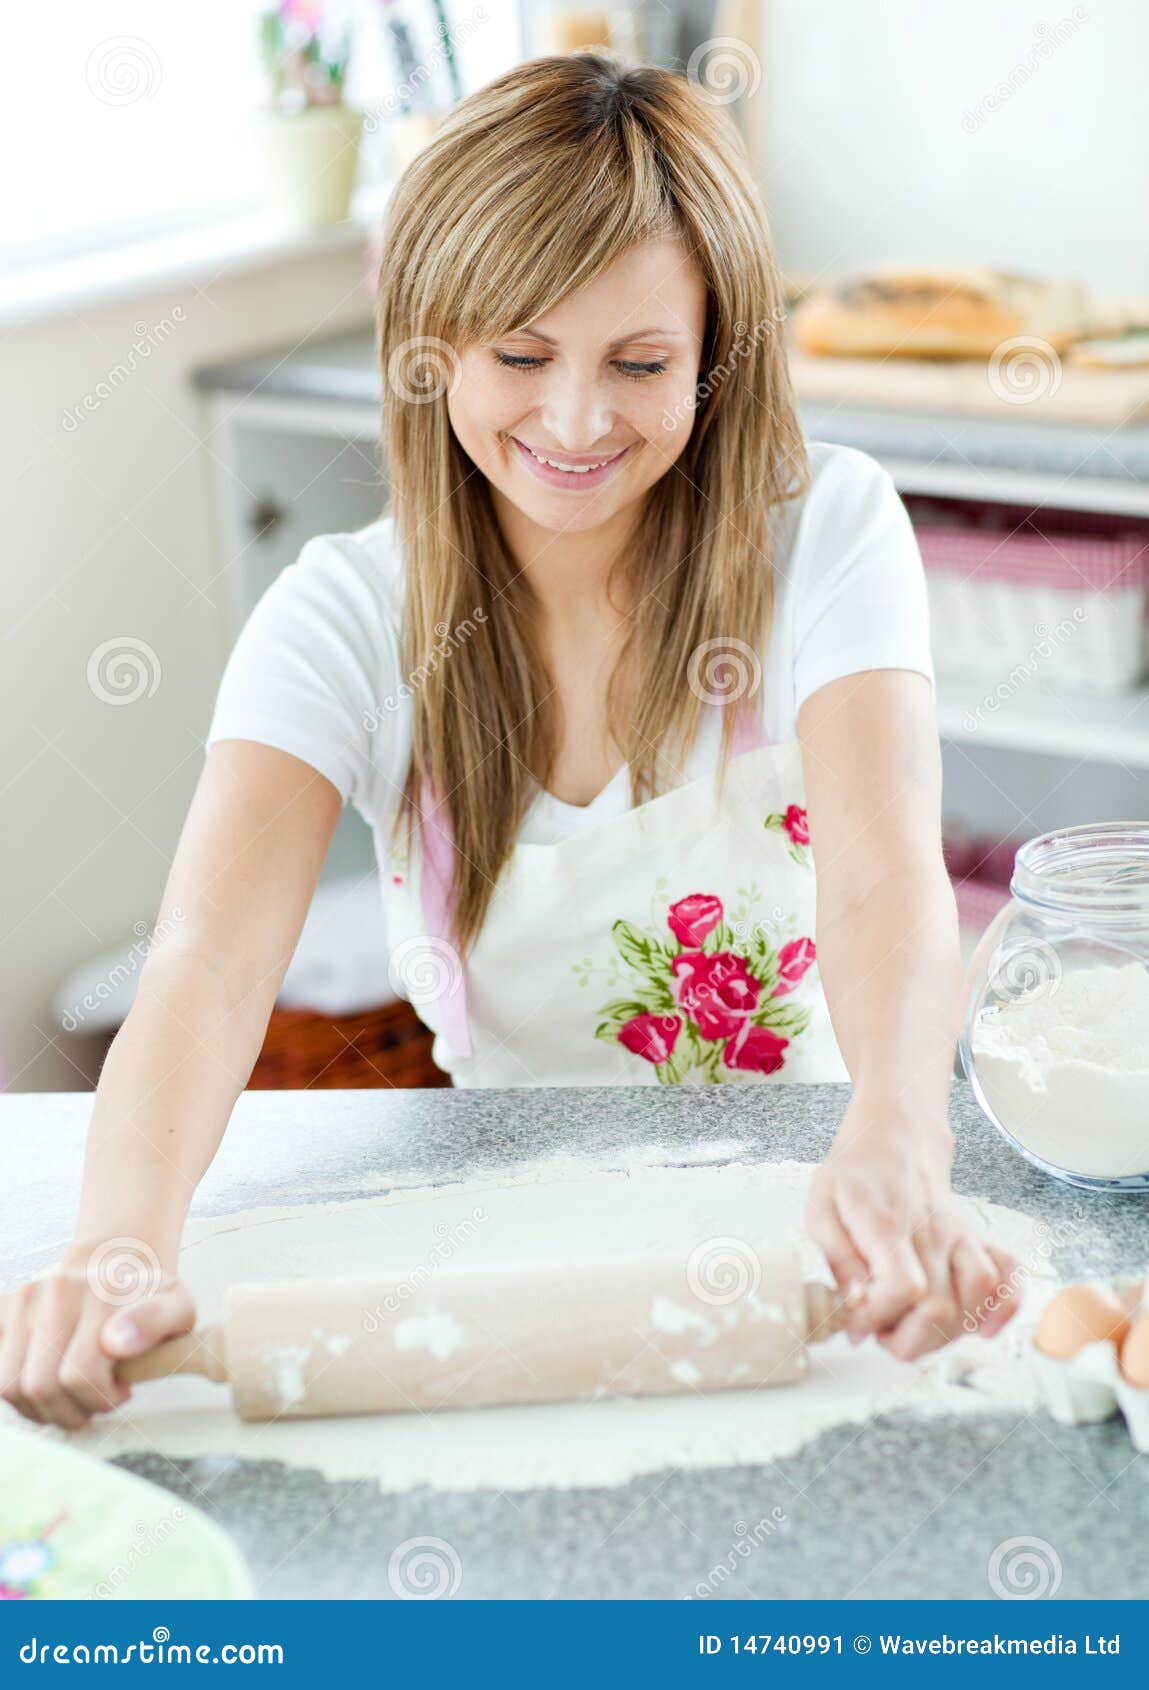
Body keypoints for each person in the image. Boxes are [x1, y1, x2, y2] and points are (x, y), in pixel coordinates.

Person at [0, 50, 1018, 1432]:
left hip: (820, 1213)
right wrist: (114, 1242)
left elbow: (886, 875)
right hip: (508, 1242)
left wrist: (898, 1136)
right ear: (430, 349)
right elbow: (205, 965)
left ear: (715, 352)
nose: (578, 420)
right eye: (520, 357)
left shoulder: (827, 530)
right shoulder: (346, 618)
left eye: (640, 362)